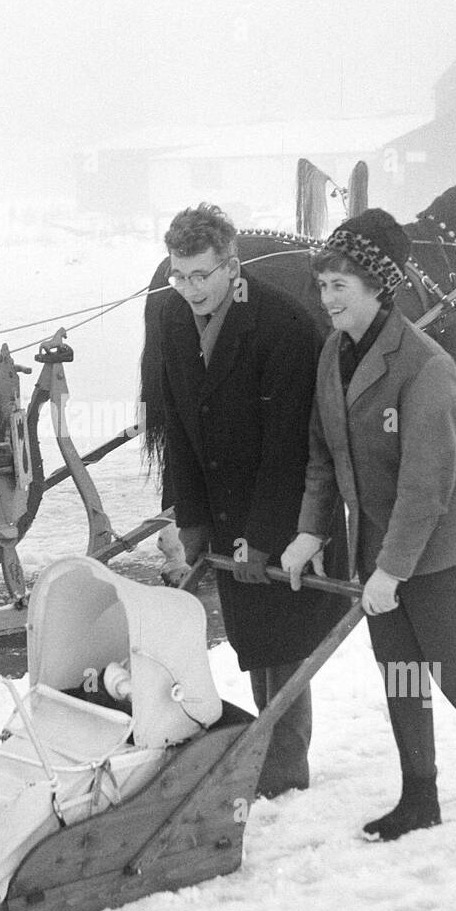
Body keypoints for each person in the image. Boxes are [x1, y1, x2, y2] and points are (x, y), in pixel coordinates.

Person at [280, 210, 456, 840]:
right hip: (380, 546)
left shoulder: (426, 367)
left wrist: (392, 571)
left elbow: (428, 488)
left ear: (379, 286)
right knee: (400, 672)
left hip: (442, 550)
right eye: (323, 285)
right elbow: (323, 453)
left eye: (340, 285)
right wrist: (311, 531)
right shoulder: (332, 355)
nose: (327, 297)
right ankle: (419, 797)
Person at [158, 204, 348, 797]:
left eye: (201, 277)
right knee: (253, 636)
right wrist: (188, 521)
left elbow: (290, 446)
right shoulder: (171, 319)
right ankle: (266, 748)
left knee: (284, 635)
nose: (189, 290)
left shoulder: (281, 327)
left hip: (282, 513)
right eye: (178, 276)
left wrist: (263, 535)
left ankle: (285, 767)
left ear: (232, 267)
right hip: (220, 508)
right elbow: (180, 431)